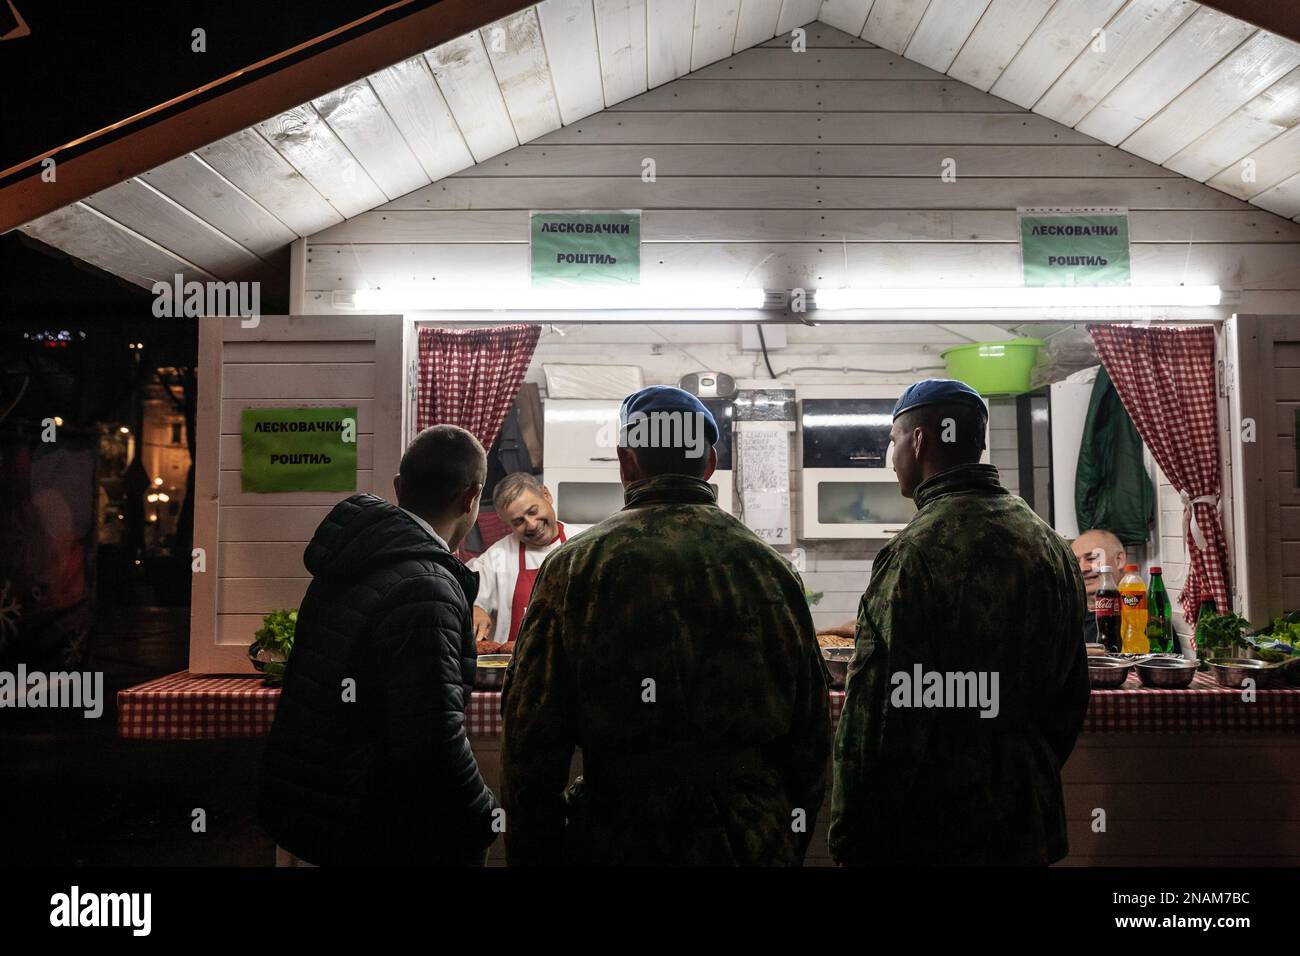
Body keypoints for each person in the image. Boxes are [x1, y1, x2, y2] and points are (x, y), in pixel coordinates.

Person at [501, 385, 831, 866]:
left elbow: (531, 736)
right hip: (749, 840)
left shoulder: (574, 567)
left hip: (618, 835)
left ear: (626, 463)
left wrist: (536, 854)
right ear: (710, 461)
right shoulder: (772, 571)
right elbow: (810, 735)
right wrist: (780, 835)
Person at [830, 379, 1089, 866]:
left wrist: (852, 833)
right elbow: (1073, 693)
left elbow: (882, 713)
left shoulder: (914, 552)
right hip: (1027, 823)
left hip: (934, 829)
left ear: (921, 441)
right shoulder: (1050, 544)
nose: (892, 456)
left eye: (893, 442)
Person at [258, 425, 499, 866]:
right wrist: (483, 813)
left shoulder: (352, 556)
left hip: (319, 813)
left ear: (398, 487)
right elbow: (431, 743)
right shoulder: (426, 584)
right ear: (471, 497)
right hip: (374, 827)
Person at [468, 473, 567, 654]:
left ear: (546, 495)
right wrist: (474, 607)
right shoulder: (498, 556)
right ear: (506, 523)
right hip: (514, 669)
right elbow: (469, 588)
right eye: (518, 521)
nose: (531, 524)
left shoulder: (584, 543)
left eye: (533, 511)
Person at [1070, 528, 1127, 644]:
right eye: (1075, 562)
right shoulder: (1066, 618)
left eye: (1091, 559)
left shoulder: (1136, 618)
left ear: (1119, 560)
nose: (1082, 569)